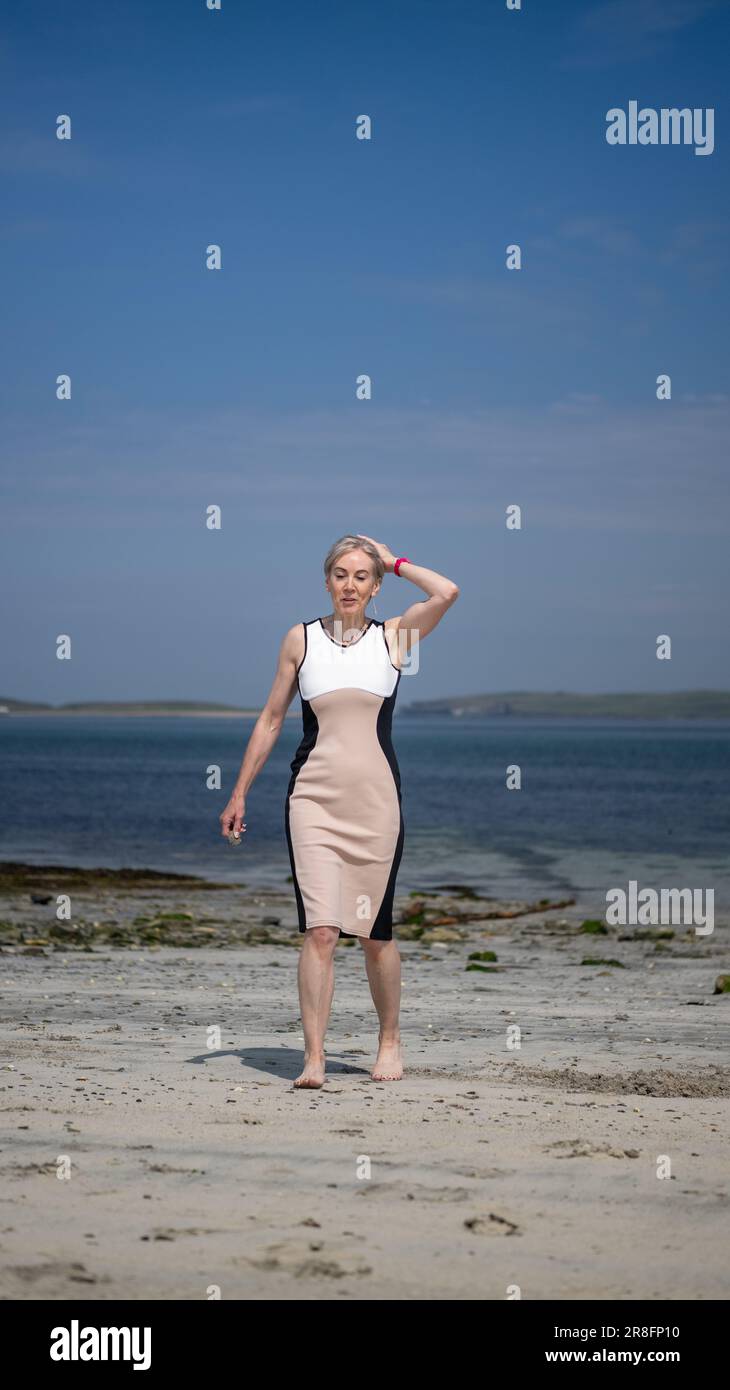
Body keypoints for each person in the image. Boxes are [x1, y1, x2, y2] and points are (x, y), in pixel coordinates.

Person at [219, 533, 459, 1088]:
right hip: (313, 800)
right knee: (321, 931)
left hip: (376, 805)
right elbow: (272, 720)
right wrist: (238, 793)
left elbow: (447, 591)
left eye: (361, 576)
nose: (349, 585)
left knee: (375, 933)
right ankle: (314, 1057)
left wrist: (394, 560)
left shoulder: (397, 638)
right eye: (340, 575)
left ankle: (390, 1042)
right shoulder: (299, 640)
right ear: (326, 581)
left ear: (375, 587)